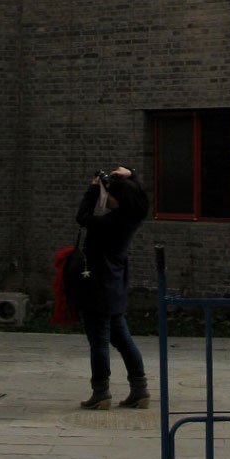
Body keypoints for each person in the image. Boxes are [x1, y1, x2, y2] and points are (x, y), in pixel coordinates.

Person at [75, 164, 150, 410]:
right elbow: (139, 196)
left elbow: (82, 218)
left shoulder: (107, 224)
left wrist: (93, 189)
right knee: (123, 340)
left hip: (97, 287)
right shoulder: (134, 216)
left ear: (116, 198)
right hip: (116, 287)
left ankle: (101, 392)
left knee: (99, 342)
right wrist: (131, 175)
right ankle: (139, 390)